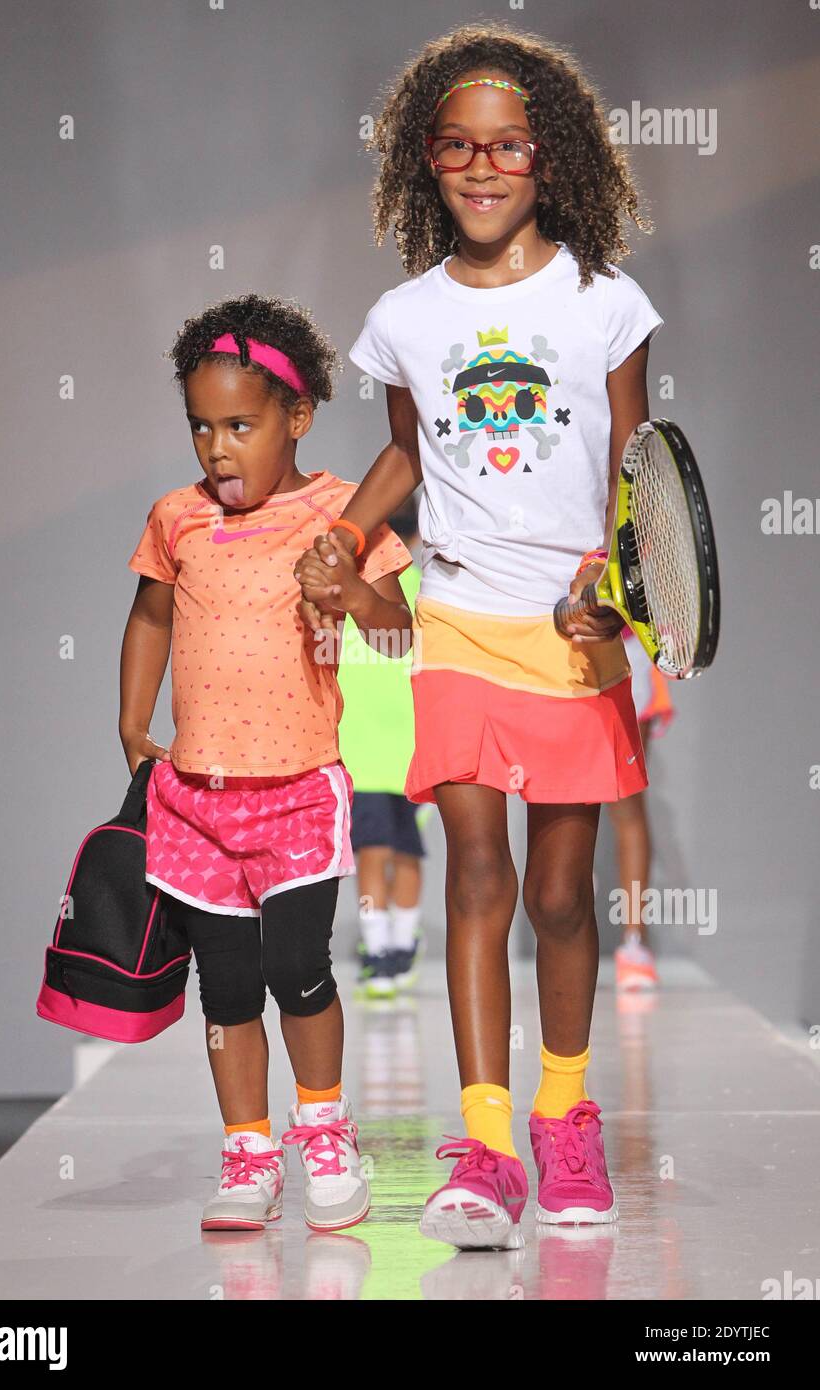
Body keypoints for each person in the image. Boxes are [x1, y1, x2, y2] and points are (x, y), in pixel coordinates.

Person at [294, 23, 664, 1247]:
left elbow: (633, 466)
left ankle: (567, 1116)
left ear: (546, 158)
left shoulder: (605, 300)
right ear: (424, 163)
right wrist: (347, 537)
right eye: (455, 147)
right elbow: (406, 451)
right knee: (477, 872)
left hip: (571, 628)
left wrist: (612, 585)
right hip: (453, 614)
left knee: (562, 893)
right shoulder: (404, 314)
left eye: (506, 146)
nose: (482, 166)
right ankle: (490, 1139)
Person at [120, 293, 413, 1233]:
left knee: (299, 968)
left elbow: (398, 632)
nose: (217, 448)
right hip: (197, 798)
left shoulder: (337, 513)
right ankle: (248, 1150)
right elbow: (152, 616)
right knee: (228, 986)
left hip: (298, 793)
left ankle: (323, 1126)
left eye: (240, 425)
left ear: (298, 417)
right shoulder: (177, 518)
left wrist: (356, 588)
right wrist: (133, 723)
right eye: (201, 427)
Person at [336, 497, 426, 998]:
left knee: (378, 852)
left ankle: (388, 945)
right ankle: (388, 946)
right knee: (395, 852)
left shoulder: (356, 594)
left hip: (379, 750)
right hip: (395, 751)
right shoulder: (418, 592)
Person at [609, 627, 675, 991]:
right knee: (559, 804)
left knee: (628, 807)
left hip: (628, 654)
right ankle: (562, 932)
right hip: (556, 653)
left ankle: (634, 944)